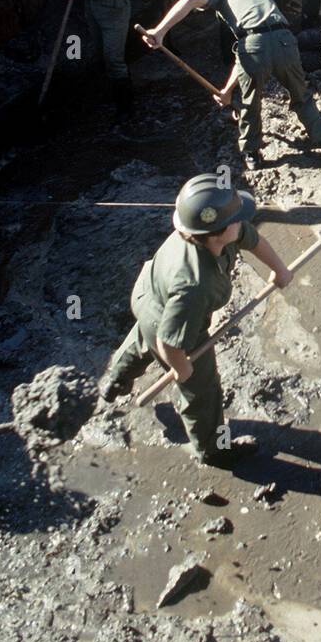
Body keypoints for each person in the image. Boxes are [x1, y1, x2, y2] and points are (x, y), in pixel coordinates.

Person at [99, 175, 293, 466]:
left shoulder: (213, 232)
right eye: (237, 219)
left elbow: (252, 238)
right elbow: (168, 341)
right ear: (216, 233)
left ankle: (118, 377)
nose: (242, 221)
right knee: (202, 388)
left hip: (153, 292)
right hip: (163, 317)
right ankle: (212, 449)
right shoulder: (194, 283)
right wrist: (182, 368)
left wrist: (280, 269)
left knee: (142, 337)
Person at [140, 0, 321, 171]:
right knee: (301, 95)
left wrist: (160, 31)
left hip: (254, 44)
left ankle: (252, 153)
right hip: (285, 40)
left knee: (250, 101)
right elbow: (246, 56)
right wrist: (227, 90)